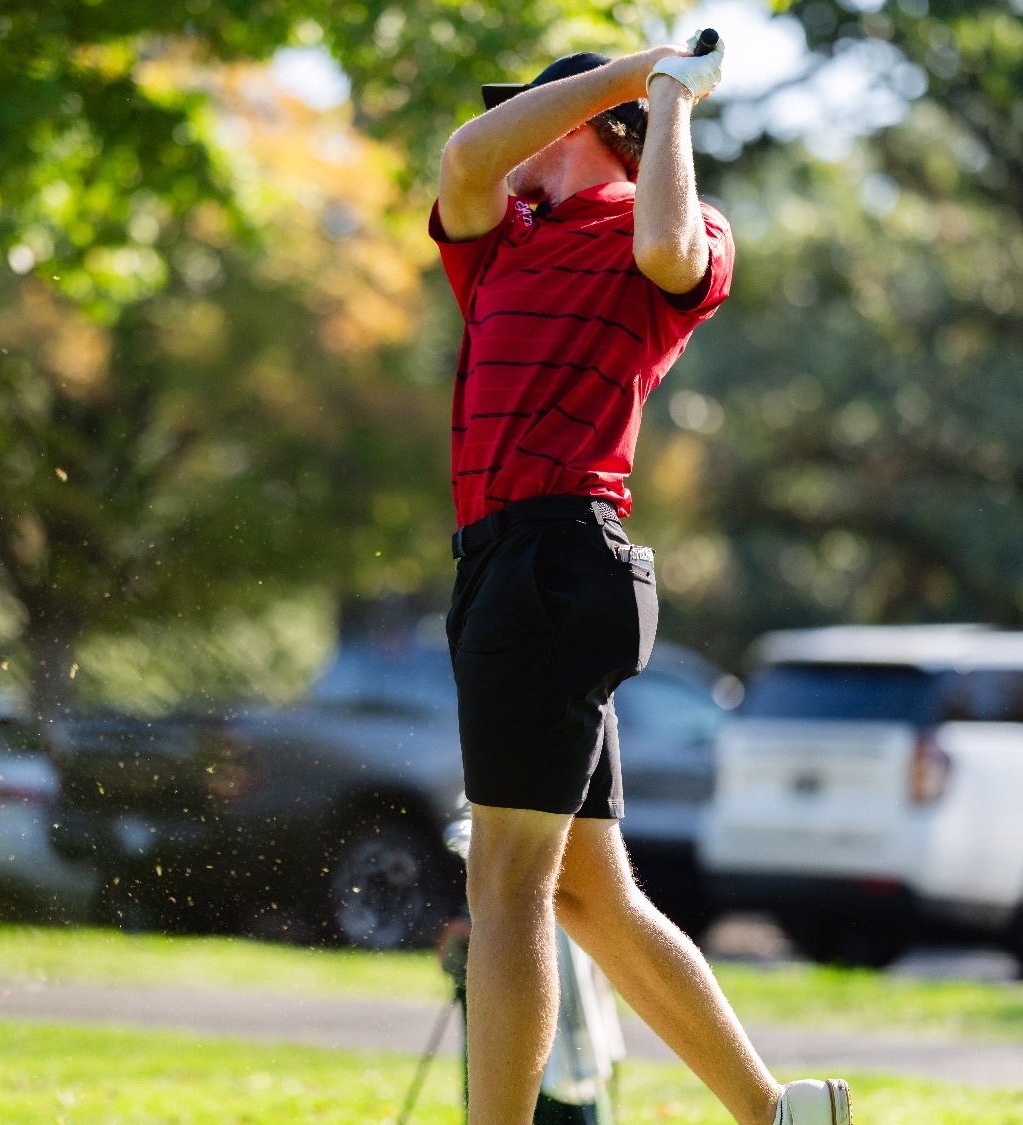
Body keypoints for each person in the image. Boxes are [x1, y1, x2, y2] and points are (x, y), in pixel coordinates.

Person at [433, 34, 852, 1125]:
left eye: (540, 113)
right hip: (512, 567)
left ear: (577, 129)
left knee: (504, 883)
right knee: (583, 890)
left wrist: (667, 98)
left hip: (553, 555)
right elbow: (466, 157)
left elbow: (666, 242)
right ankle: (775, 1114)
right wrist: (635, 72)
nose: (519, 134)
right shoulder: (499, 240)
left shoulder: (676, 233)